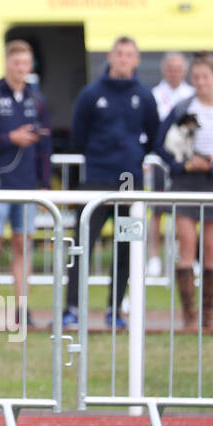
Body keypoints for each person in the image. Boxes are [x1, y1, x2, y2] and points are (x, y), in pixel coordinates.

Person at [64, 37, 160, 332]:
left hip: (129, 185)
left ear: (137, 60)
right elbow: (77, 137)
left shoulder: (144, 96)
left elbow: (153, 135)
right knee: (81, 247)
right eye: (119, 53)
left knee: (124, 249)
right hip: (94, 181)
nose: (123, 59)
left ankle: (114, 309)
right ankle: (72, 309)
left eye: (129, 54)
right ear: (110, 56)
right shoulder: (91, 94)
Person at [156, 52, 213, 331]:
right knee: (186, 246)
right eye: (195, 77)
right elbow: (159, 143)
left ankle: (209, 315)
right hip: (186, 182)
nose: (200, 82)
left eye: (205, 76)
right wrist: (182, 164)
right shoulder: (184, 106)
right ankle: (189, 317)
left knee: (212, 250)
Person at [0, 41, 52, 331]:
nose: (21, 69)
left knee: (23, 245)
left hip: (27, 185)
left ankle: (22, 307)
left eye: (26, 63)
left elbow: (45, 145)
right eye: (17, 63)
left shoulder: (37, 99)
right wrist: (9, 139)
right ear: (7, 64)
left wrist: (45, 184)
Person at [147, 52, 195, 275]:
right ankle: (154, 258)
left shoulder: (191, 96)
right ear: (164, 70)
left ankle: (186, 255)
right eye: (171, 68)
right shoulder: (155, 95)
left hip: (183, 160)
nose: (174, 72)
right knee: (157, 209)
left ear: (184, 71)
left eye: (178, 68)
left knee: (185, 210)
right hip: (160, 159)